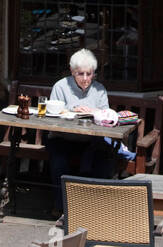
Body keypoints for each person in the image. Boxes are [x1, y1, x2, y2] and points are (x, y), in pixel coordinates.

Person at [47, 48, 114, 188]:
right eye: (80, 74)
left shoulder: (99, 89)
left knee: (103, 161)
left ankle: (93, 199)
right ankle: (62, 201)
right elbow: (52, 117)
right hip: (62, 138)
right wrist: (71, 110)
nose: (85, 78)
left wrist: (93, 111)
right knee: (59, 163)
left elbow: (107, 117)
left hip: (90, 140)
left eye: (89, 74)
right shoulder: (60, 87)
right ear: (72, 71)